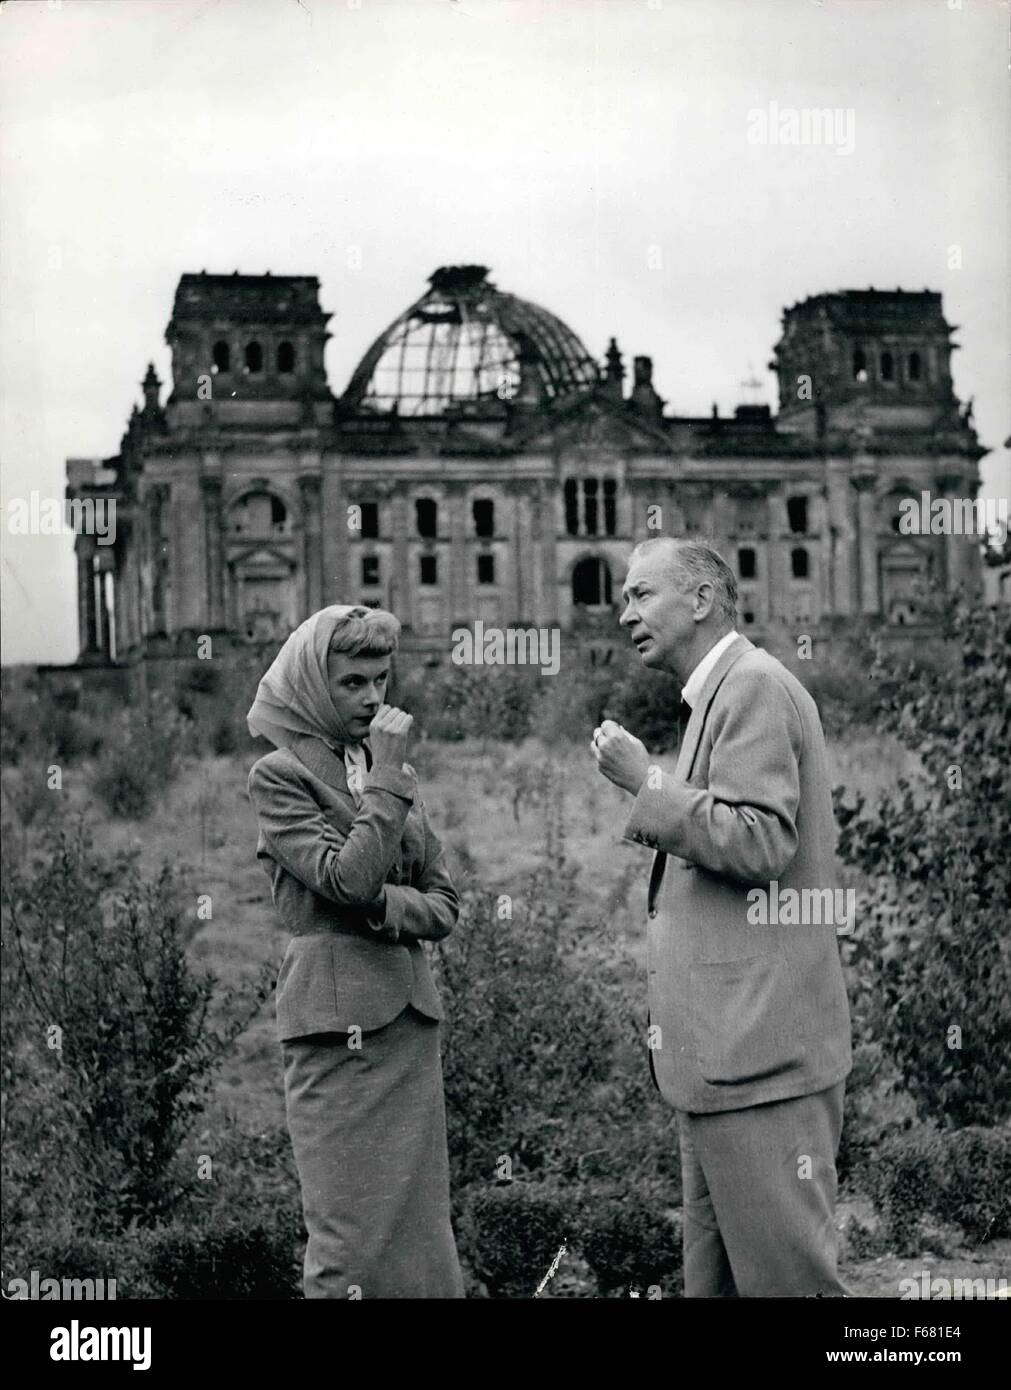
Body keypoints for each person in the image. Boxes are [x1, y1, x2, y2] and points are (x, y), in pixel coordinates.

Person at [590, 538, 852, 1297]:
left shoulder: (752, 687)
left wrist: (645, 782)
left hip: (758, 1057)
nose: (623, 612)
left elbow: (761, 839)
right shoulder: (719, 693)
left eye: (641, 595)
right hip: (722, 1061)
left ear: (701, 598)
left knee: (787, 1284)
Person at [246, 603, 464, 1299]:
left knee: (421, 1233)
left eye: (381, 679)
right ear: (313, 684)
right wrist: (389, 787)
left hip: (407, 1023)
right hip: (334, 1027)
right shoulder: (280, 776)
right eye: (352, 683)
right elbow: (344, 877)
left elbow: (443, 904)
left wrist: (377, 907)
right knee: (347, 1239)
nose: (373, 698)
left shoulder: (381, 766)